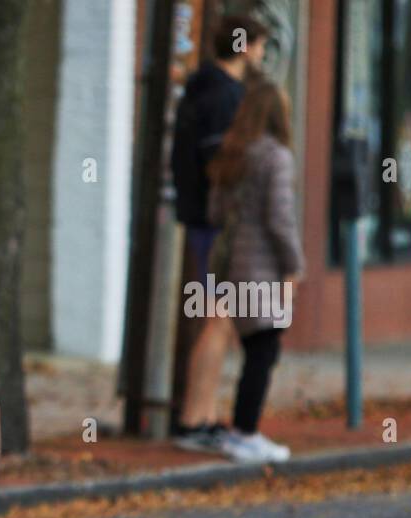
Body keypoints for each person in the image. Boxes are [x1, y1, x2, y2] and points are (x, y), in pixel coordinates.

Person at [170, 14, 269, 453]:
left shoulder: (201, 90)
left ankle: (203, 417)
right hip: (218, 225)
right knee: (216, 319)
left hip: (202, 221)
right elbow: (221, 168)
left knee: (217, 318)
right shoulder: (225, 97)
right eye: (260, 44)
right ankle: (195, 419)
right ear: (246, 47)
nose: (262, 53)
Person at [206, 80, 304, 463]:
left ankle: (241, 431)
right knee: (264, 351)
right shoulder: (276, 157)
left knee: (254, 349)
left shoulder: (233, 154)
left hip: (232, 263)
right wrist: (294, 266)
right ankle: (245, 432)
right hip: (263, 266)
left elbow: (215, 212)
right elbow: (280, 220)